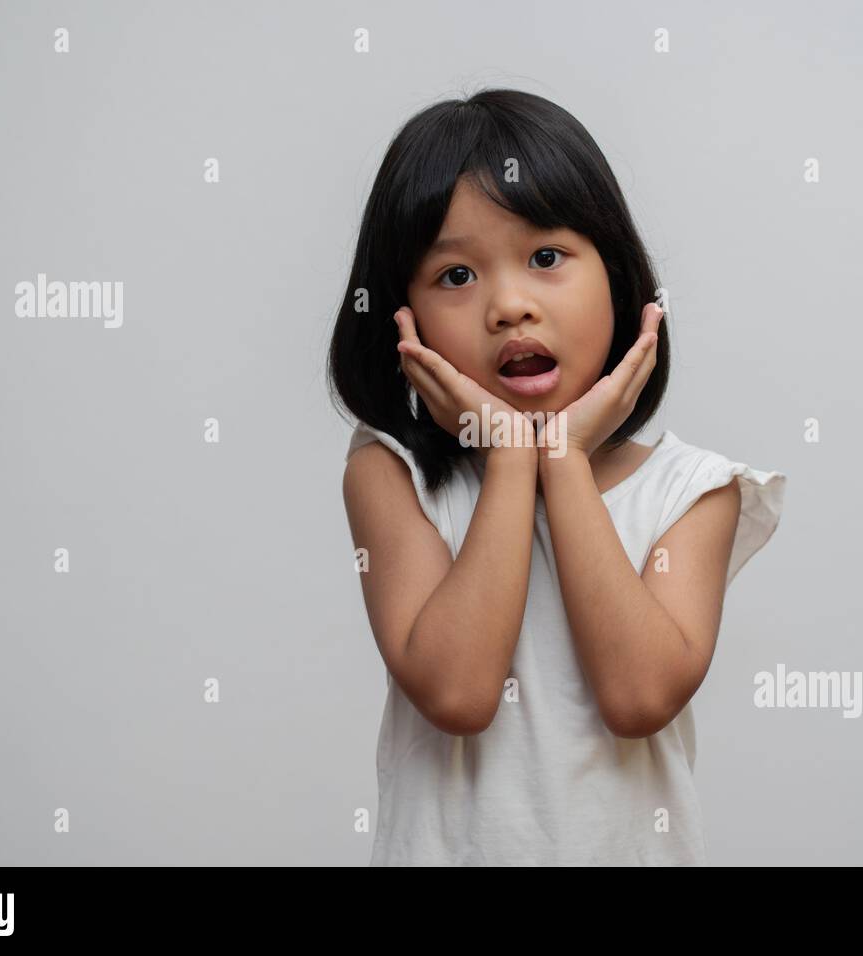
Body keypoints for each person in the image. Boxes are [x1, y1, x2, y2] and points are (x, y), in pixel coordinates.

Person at [327, 88, 786, 865]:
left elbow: (639, 697)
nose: (509, 306)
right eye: (456, 275)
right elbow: (459, 695)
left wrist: (562, 460)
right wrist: (510, 456)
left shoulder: (692, 492)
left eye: (546, 258)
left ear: (617, 276)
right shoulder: (391, 475)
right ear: (401, 320)